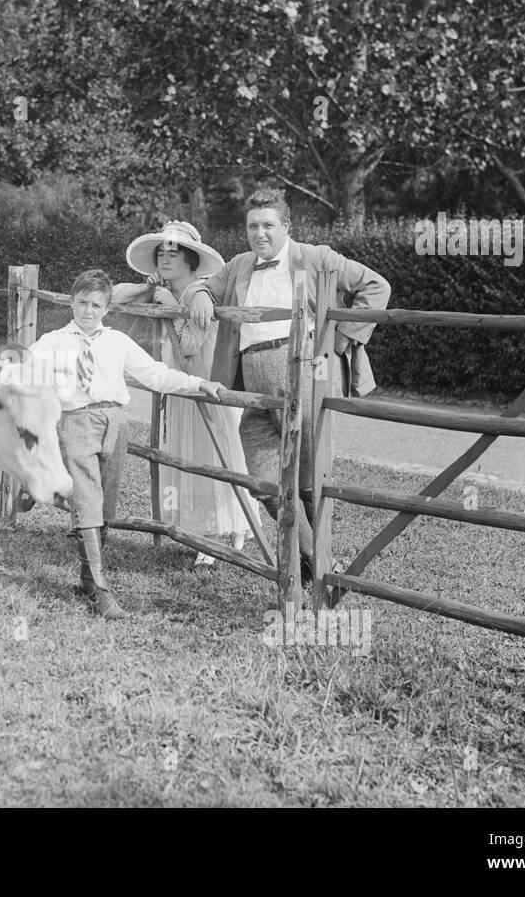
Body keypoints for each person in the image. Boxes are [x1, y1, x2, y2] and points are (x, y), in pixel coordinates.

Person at [191, 188, 391, 605]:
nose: (259, 234)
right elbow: (204, 286)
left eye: (268, 225)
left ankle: (312, 578)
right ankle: (319, 562)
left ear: (286, 227)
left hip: (306, 373)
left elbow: (376, 287)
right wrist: (199, 296)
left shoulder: (316, 257)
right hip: (254, 383)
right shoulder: (239, 266)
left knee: (306, 483)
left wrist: (337, 341)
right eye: (252, 226)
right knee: (264, 478)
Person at [31, 269, 227, 618]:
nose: (87, 311)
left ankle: (87, 580)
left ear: (107, 308)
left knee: (104, 504)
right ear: (71, 302)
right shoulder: (54, 341)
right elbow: (24, 363)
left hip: (114, 423)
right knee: (87, 499)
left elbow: (154, 373)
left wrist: (198, 384)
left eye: (95, 305)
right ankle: (101, 593)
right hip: (75, 420)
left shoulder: (116, 342)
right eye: (81, 303)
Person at [112, 220, 256, 568]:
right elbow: (114, 297)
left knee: (215, 458)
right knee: (188, 458)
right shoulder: (166, 288)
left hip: (205, 387)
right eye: (161, 253)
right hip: (180, 388)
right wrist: (148, 286)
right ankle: (214, 531)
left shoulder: (196, 293)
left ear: (191, 260)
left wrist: (173, 308)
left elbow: (191, 346)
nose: (165, 258)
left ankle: (219, 535)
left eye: (174, 253)